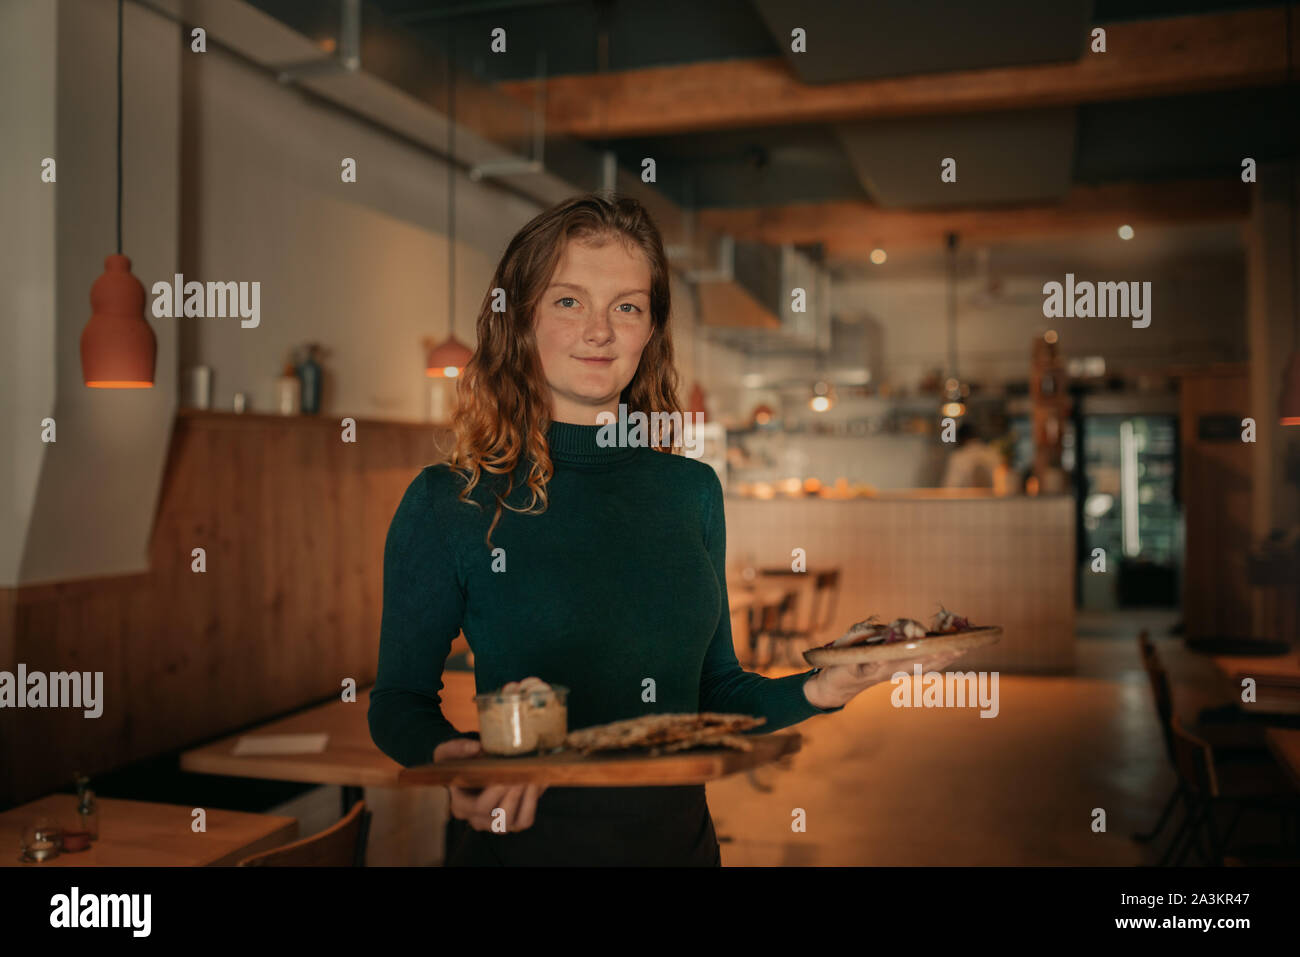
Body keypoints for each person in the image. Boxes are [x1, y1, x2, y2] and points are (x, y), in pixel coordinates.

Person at [368, 193, 967, 866]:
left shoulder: (691, 491)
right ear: (521, 318)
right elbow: (398, 699)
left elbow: (715, 692)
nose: (600, 331)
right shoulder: (452, 500)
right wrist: (455, 759)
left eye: (626, 305)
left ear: (650, 328)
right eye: (569, 301)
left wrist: (824, 686)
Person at [941, 422, 1004, 489]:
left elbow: (950, 488)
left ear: (961, 439)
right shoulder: (993, 454)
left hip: (967, 499)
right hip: (995, 499)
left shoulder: (958, 457)